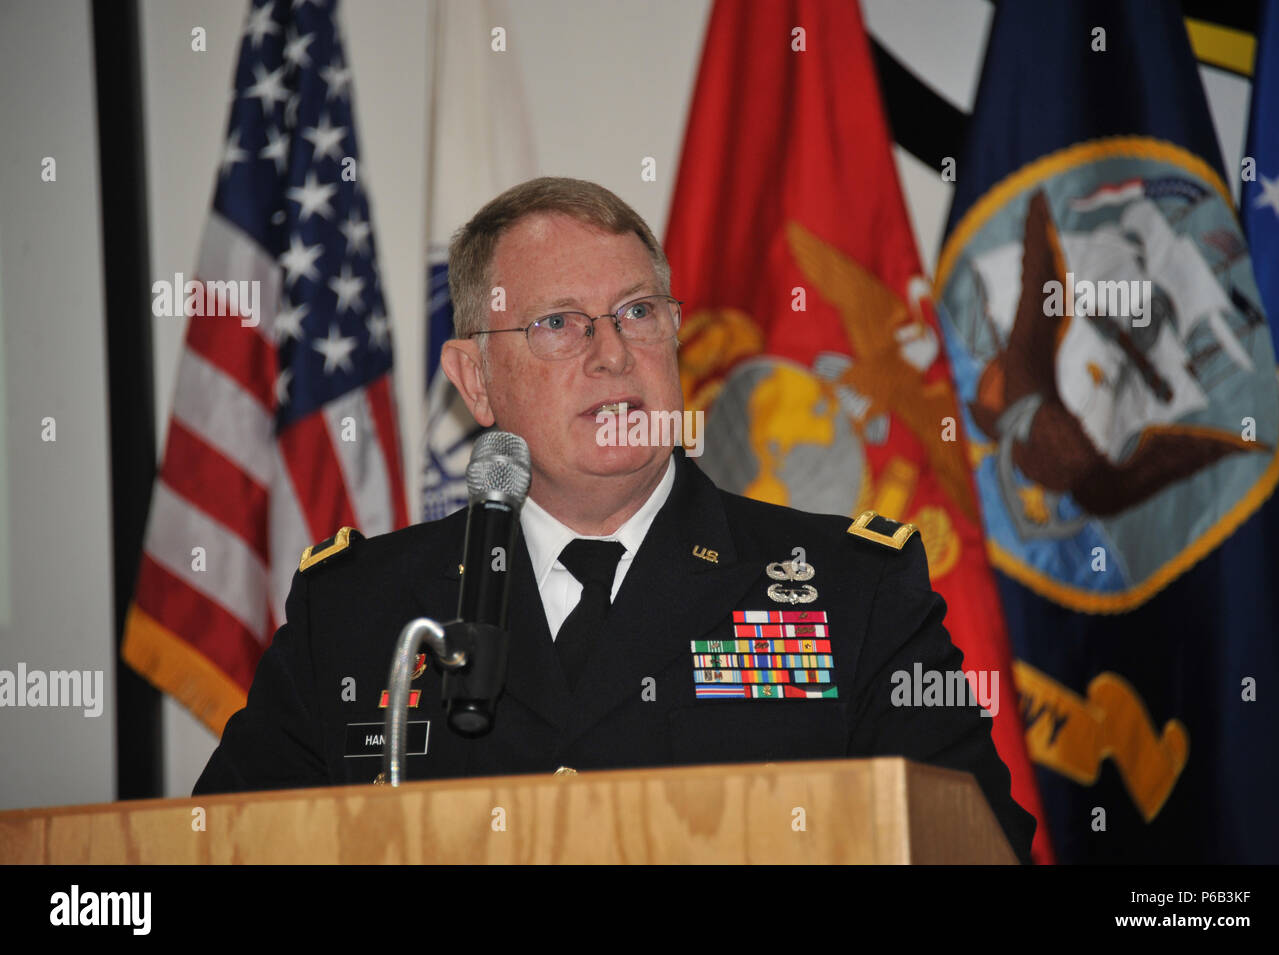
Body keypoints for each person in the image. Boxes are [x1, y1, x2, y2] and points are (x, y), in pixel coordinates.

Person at [194, 176, 1036, 863]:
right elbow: (216, 851)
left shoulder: (852, 592)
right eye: (558, 323)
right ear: (475, 378)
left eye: (639, 313)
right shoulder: (357, 611)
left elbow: (978, 848)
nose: (611, 353)